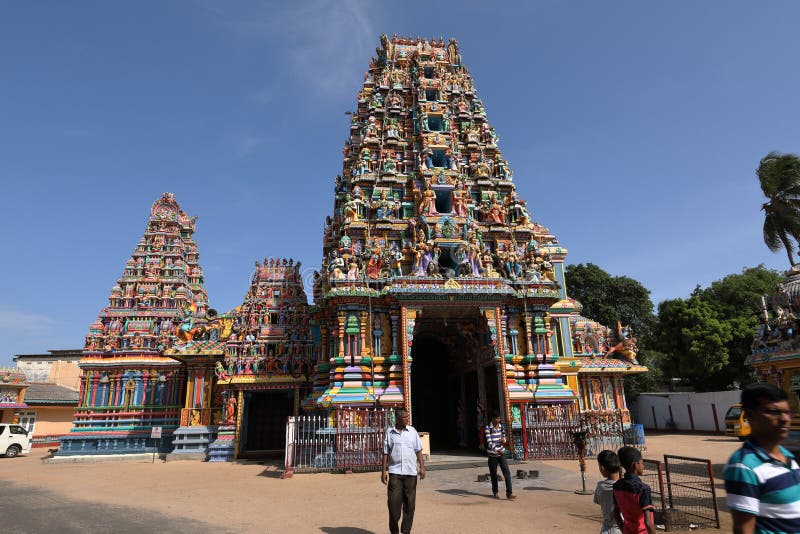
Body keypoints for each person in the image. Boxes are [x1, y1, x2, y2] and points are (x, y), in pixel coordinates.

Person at [723, 382, 800, 534]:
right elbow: (743, 528)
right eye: (774, 412)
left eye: (787, 412)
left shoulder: (787, 455)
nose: (784, 419)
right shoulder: (744, 466)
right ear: (750, 415)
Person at [381, 408, 425, 534]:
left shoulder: (412, 431)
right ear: (398, 419)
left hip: (411, 473)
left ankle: (406, 531)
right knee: (393, 505)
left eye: (407, 417)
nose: (407, 419)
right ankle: (394, 531)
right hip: (395, 473)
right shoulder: (390, 433)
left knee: (410, 505)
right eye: (404, 417)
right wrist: (383, 471)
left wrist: (422, 467)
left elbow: (418, 450)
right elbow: (385, 452)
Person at [613, 446, 656, 534]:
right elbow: (648, 522)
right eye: (641, 463)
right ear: (635, 464)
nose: (643, 466)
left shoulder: (617, 486)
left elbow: (616, 514)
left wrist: (624, 530)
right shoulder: (643, 489)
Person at [484, 410, 516, 500]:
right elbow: (489, 443)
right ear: (492, 418)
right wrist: (498, 450)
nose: (499, 420)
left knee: (507, 473)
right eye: (497, 418)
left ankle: (509, 493)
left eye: (499, 418)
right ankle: (495, 492)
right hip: (492, 454)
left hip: (501, 454)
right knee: (493, 474)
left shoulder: (501, 427)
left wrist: (504, 440)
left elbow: (505, 437)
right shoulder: (488, 428)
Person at [594, 450, 623, 534]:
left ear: (602, 468)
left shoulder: (600, 486)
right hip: (622, 528)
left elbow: (598, 501)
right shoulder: (624, 487)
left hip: (606, 528)